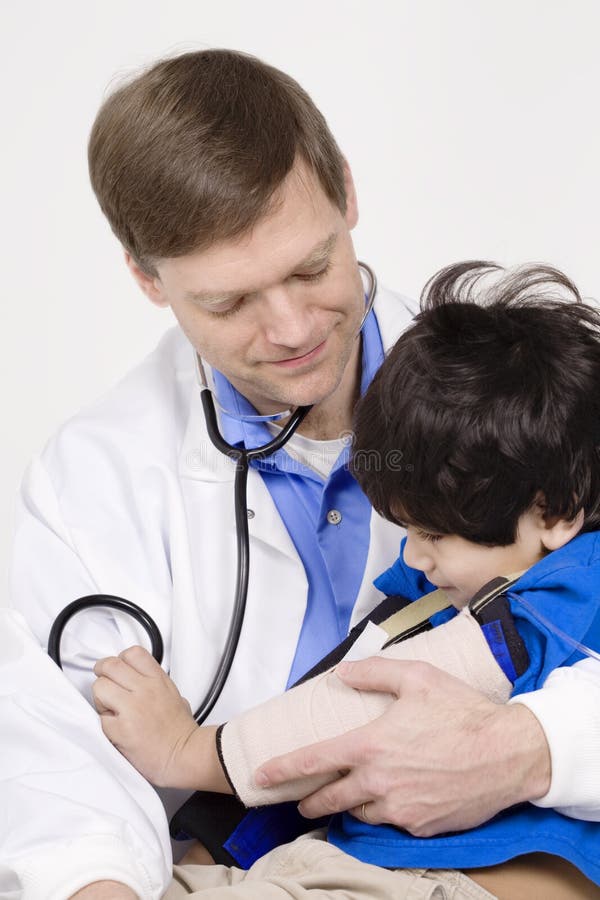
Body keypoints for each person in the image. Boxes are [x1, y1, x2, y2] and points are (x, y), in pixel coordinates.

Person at [0, 47, 598, 899]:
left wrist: (539, 750)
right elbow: (62, 767)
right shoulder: (91, 480)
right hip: (237, 856)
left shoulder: (516, 404)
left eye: (312, 267)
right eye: (229, 302)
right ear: (148, 280)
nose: (289, 328)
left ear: (347, 192)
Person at [91, 261, 600, 898]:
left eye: (435, 536)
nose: (413, 557)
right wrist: (213, 850)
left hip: (444, 878)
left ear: (553, 512)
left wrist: (186, 750)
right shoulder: (448, 592)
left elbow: (354, 712)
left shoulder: (570, 594)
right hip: (343, 857)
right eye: (407, 530)